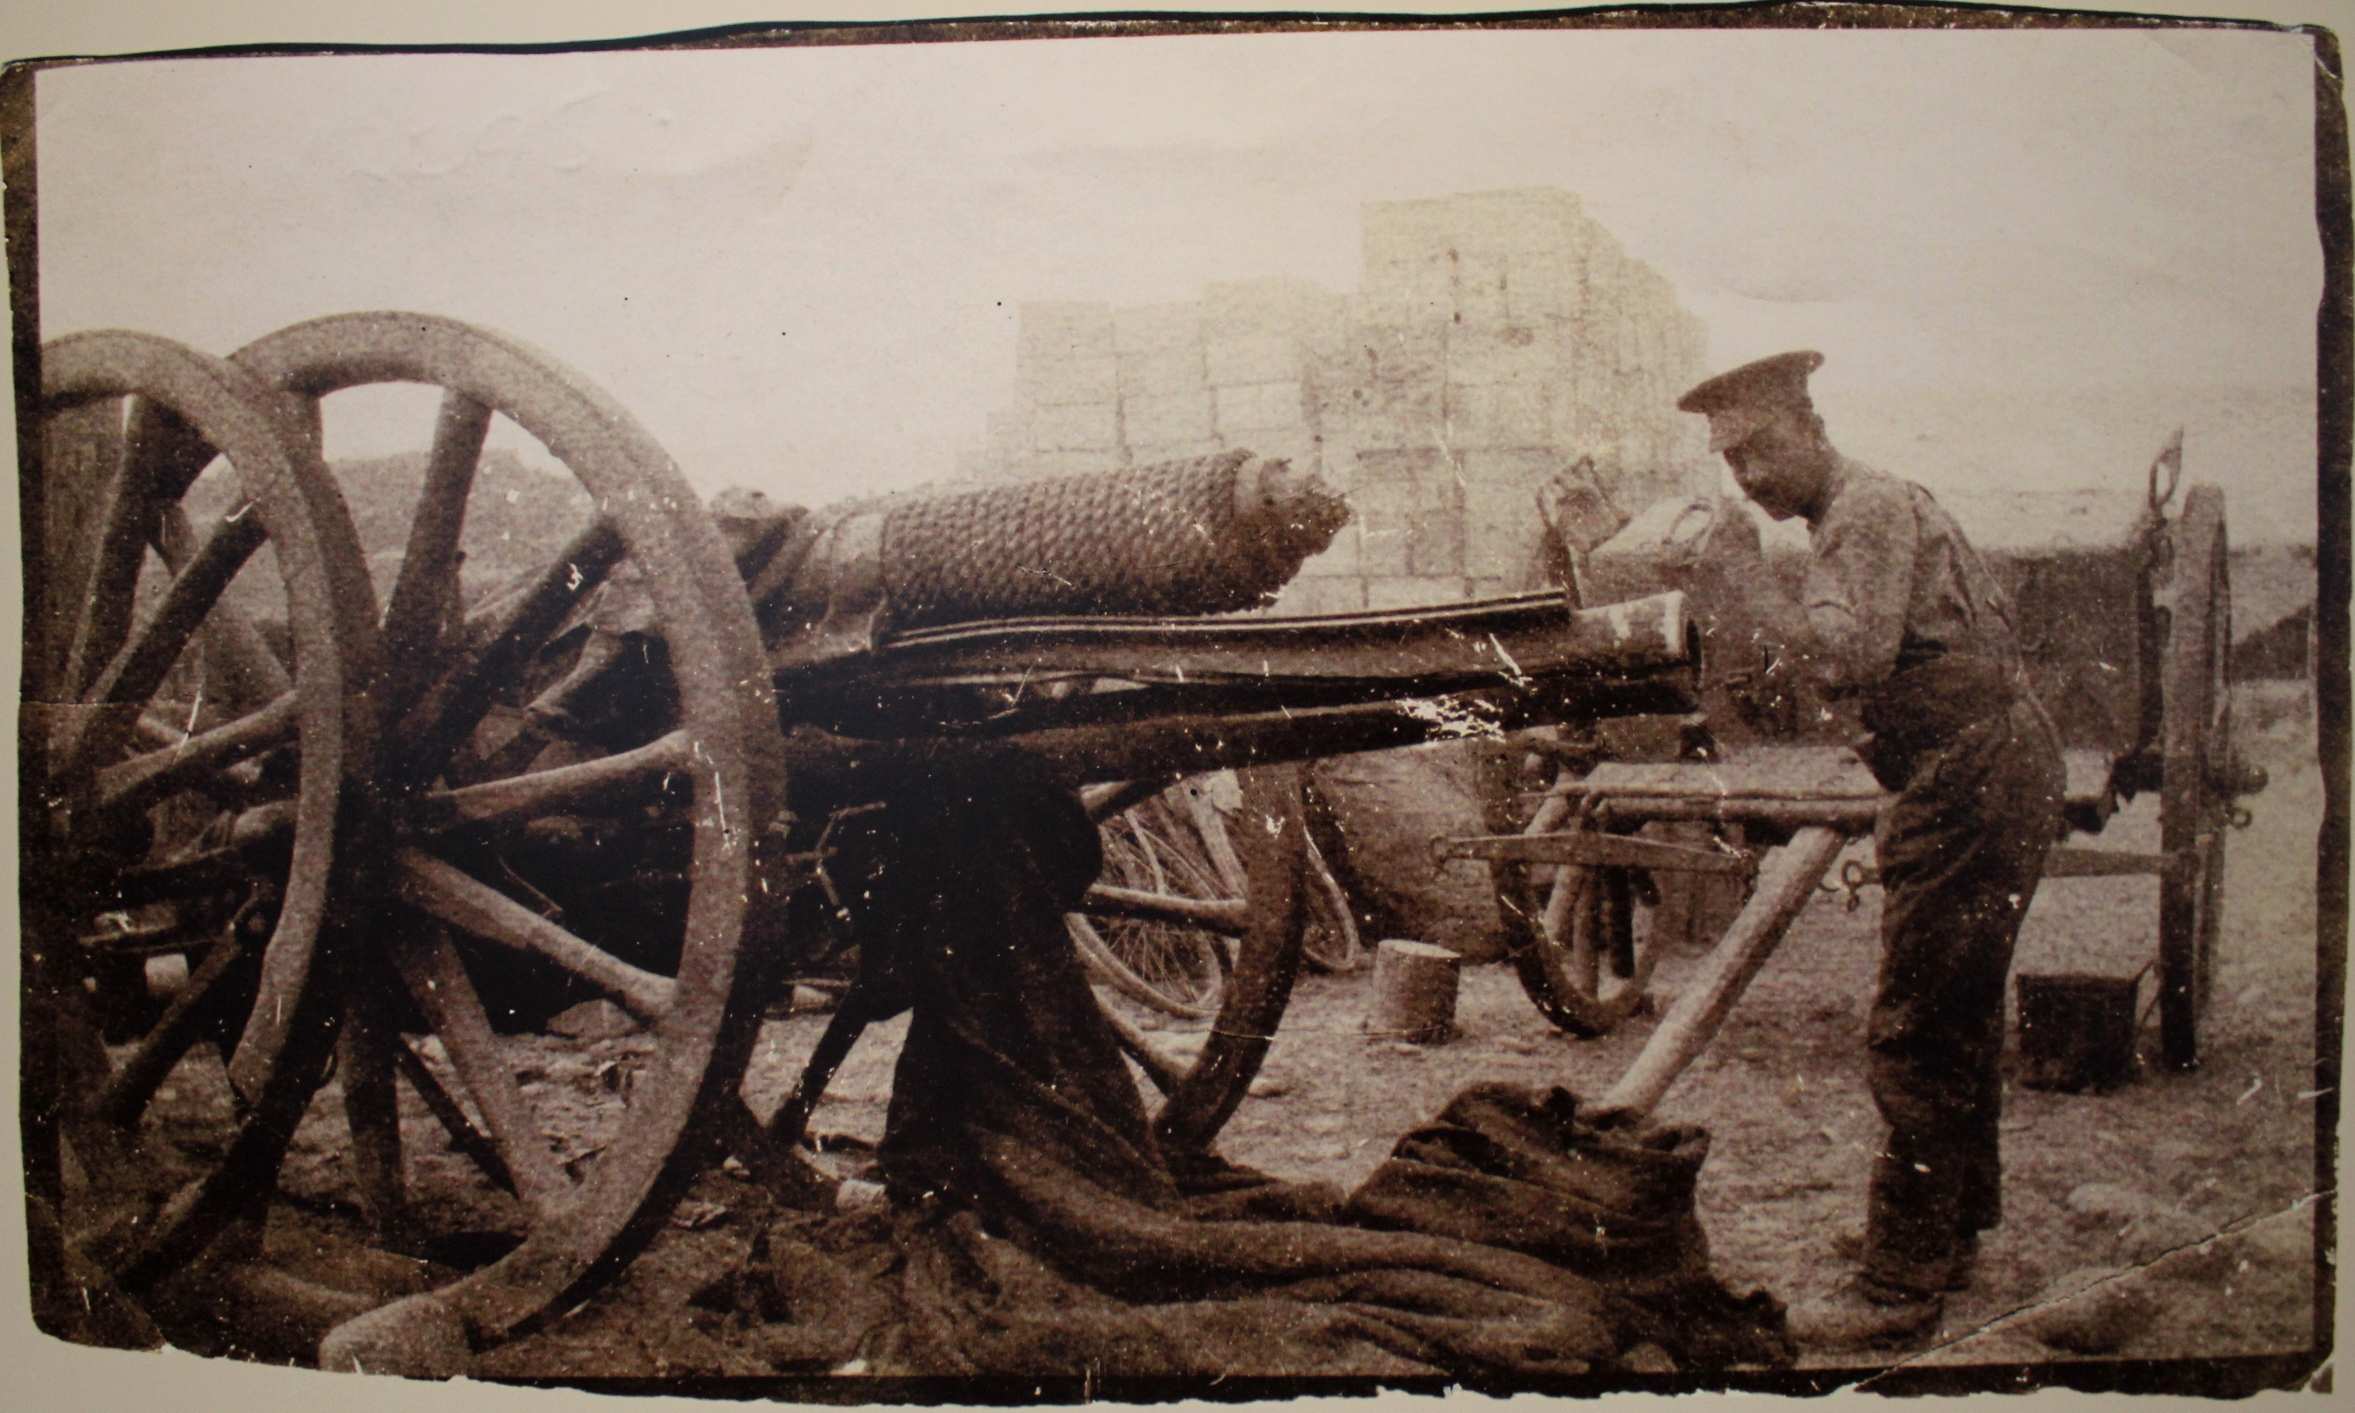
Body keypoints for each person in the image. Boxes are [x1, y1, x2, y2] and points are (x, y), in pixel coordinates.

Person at [1676, 351, 2066, 1350]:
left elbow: (1847, 656)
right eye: (1731, 463)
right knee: (1957, 1007)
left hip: (1973, 767)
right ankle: (1954, 1230)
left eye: (1761, 450)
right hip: (1975, 763)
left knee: (1917, 1025)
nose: (1749, 480)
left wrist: (1736, 583)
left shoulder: (1866, 511)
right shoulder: (1855, 514)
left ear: (1811, 424)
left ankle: (1900, 1285)